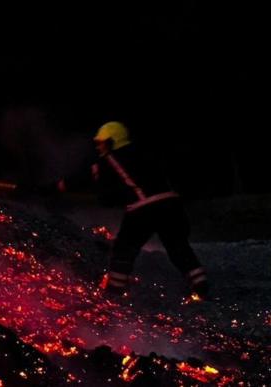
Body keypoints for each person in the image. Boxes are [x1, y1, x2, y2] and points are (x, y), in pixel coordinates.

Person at [56, 121, 209, 299]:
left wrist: (45, 189)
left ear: (112, 142)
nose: (98, 147)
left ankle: (114, 294)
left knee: (123, 249)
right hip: (172, 205)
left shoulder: (110, 160)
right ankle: (201, 289)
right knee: (178, 247)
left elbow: (81, 181)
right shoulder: (145, 152)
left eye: (101, 143)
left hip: (144, 208)